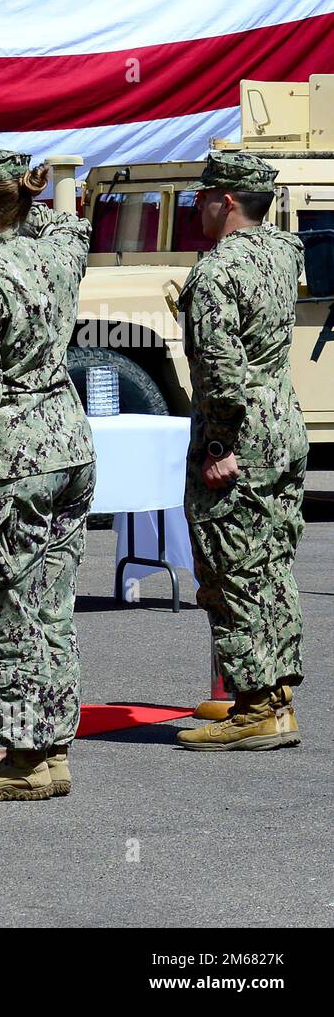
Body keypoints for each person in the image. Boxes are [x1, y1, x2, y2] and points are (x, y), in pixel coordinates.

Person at [0, 149, 96, 802]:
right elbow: (71, 228)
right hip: (67, 445)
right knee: (51, 606)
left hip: (11, 461)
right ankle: (50, 748)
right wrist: (48, 186)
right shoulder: (52, 259)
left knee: (6, 611)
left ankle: (28, 756)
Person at [174, 151, 305, 751]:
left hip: (240, 436)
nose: (196, 207)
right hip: (281, 425)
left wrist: (219, 443)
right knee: (272, 562)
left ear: (226, 200)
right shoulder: (283, 253)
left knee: (232, 569)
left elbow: (220, 373)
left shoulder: (217, 271)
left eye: (203, 197)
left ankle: (254, 704)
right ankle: (276, 696)